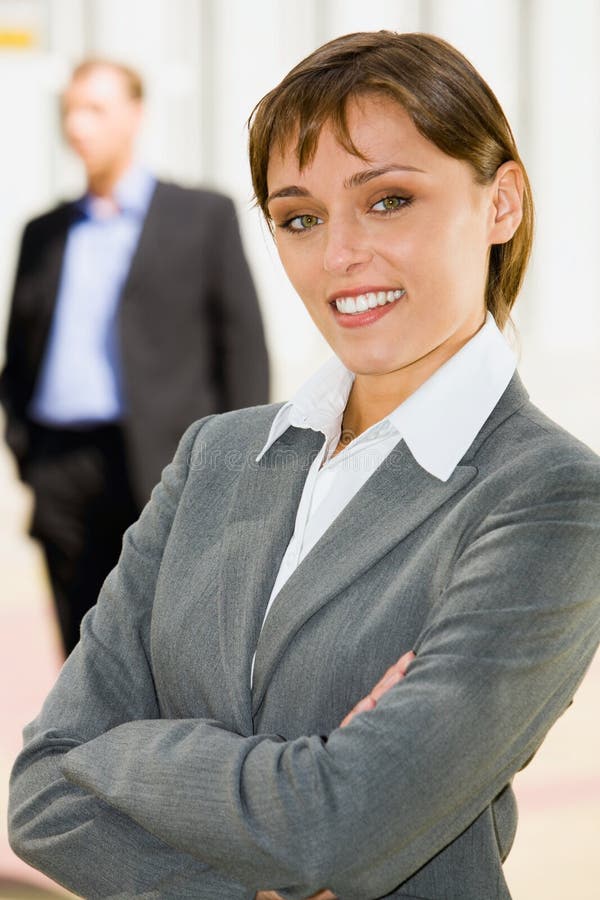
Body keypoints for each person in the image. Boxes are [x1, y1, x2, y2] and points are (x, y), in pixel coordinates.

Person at [8, 31, 600, 899]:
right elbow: (40, 794)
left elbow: (343, 827)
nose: (339, 256)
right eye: (299, 218)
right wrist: (292, 806)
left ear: (501, 202)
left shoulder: (550, 497)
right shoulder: (215, 457)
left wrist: (126, 753)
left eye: (389, 200)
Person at [0, 58, 269, 656]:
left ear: (135, 116)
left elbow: (243, 349)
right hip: (61, 468)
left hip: (164, 465)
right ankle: (90, 752)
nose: (77, 125)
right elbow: (19, 356)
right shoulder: (42, 233)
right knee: (79, 649)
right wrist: (29, 453)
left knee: (168, 644)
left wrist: (235, 468)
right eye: (70, 110)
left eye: (94, 109)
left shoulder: (201, 216)